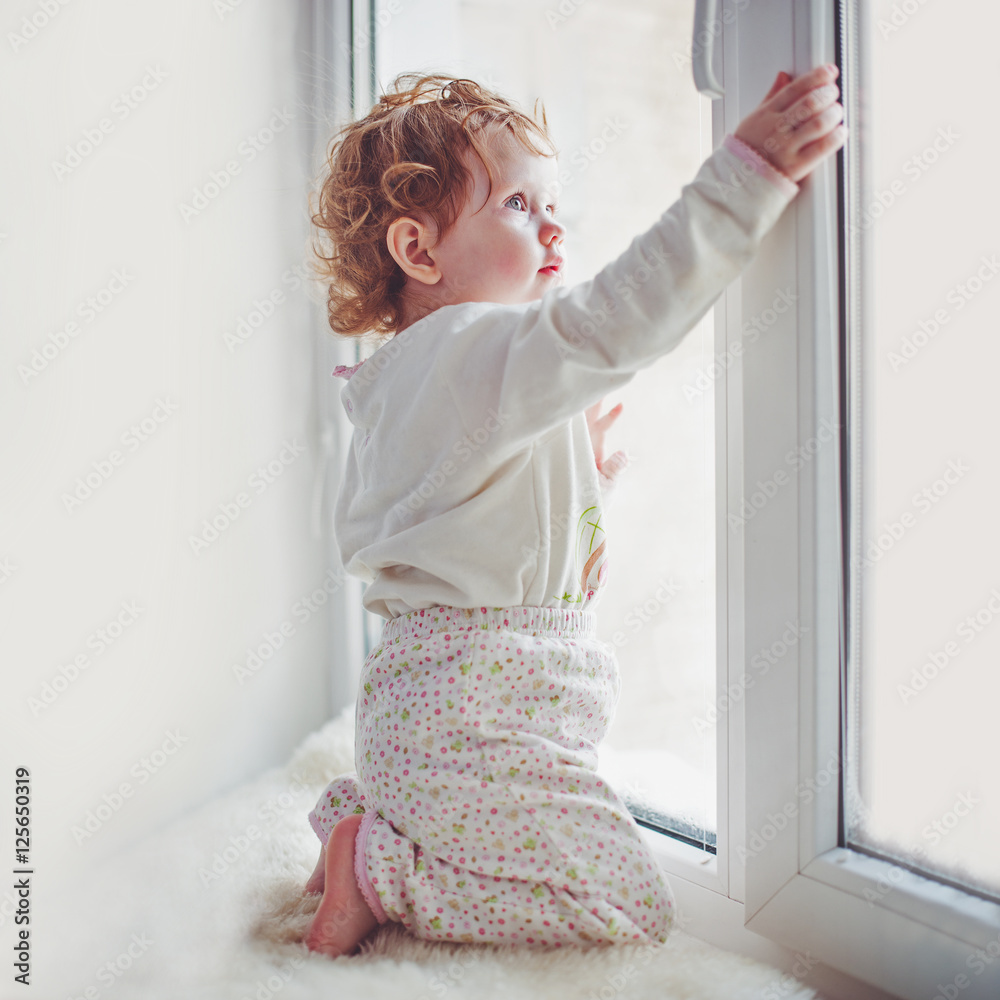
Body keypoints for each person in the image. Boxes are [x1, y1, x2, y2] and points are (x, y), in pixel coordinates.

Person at [301, 66, 845, 957]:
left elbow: (447, 525)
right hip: (471, 708)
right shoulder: (463, 354)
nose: (554, 226)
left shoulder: (435, 377)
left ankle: (373, 815)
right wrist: (743, 179)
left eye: (555, 203)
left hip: (459, 706)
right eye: (518, 204)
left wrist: (566, 471)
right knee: (623, 903)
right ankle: (379, 867)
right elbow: (610, 326)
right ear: (420, 251)